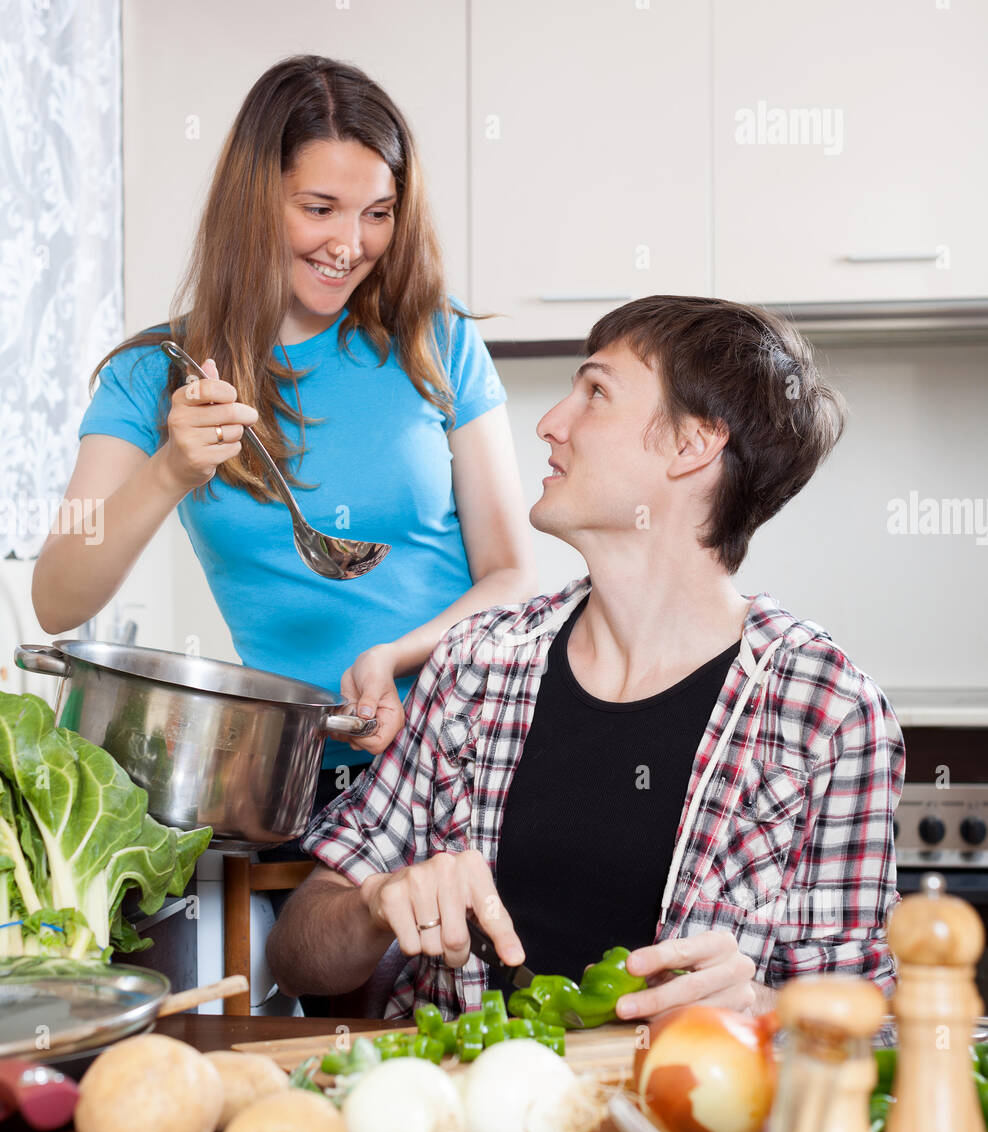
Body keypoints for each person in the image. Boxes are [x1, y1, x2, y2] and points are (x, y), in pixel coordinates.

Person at [266, 295, 905, 1023]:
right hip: (460, 1122)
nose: (550, 423)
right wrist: (375, 906)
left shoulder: (827, 710)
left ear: (693, 444)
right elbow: (295, 953)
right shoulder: (476, 665)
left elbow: (866, 1022)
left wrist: (760, 1003)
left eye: (595, 392)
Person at [33, 55, 536, 813]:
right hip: (294, 784)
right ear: (255, 199)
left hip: (472, 750)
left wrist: (394, 655)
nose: (351, 244)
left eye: (378, 212)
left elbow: (510, 574)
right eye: (320, 207)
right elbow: (57, 595)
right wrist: (170, 469)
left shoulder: (438, 338)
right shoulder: (152, 374)